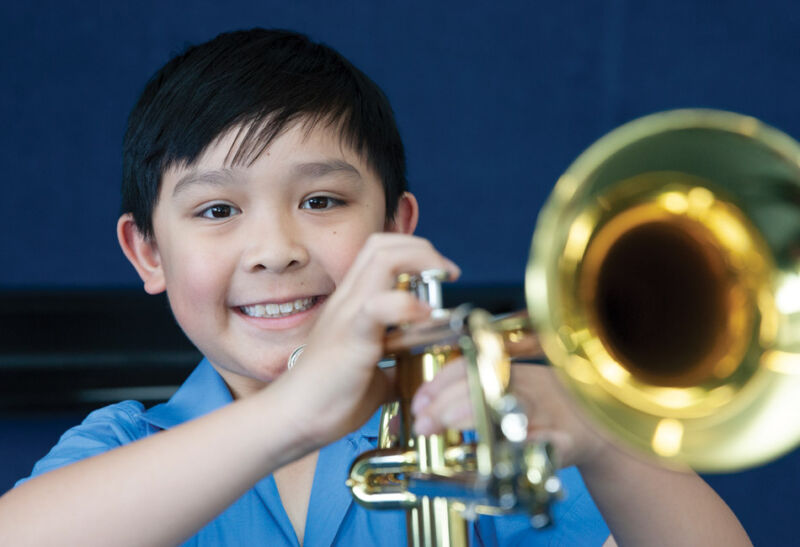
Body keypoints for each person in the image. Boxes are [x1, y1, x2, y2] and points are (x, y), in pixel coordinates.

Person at [0, 28, 750, 546]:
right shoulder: (124, 446)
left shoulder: (477, 432)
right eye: (218, 210)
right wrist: (292, 413)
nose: (277, 251)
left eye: (322, 200)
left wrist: (606, 440)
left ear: (397, 227)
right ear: (147, 253)